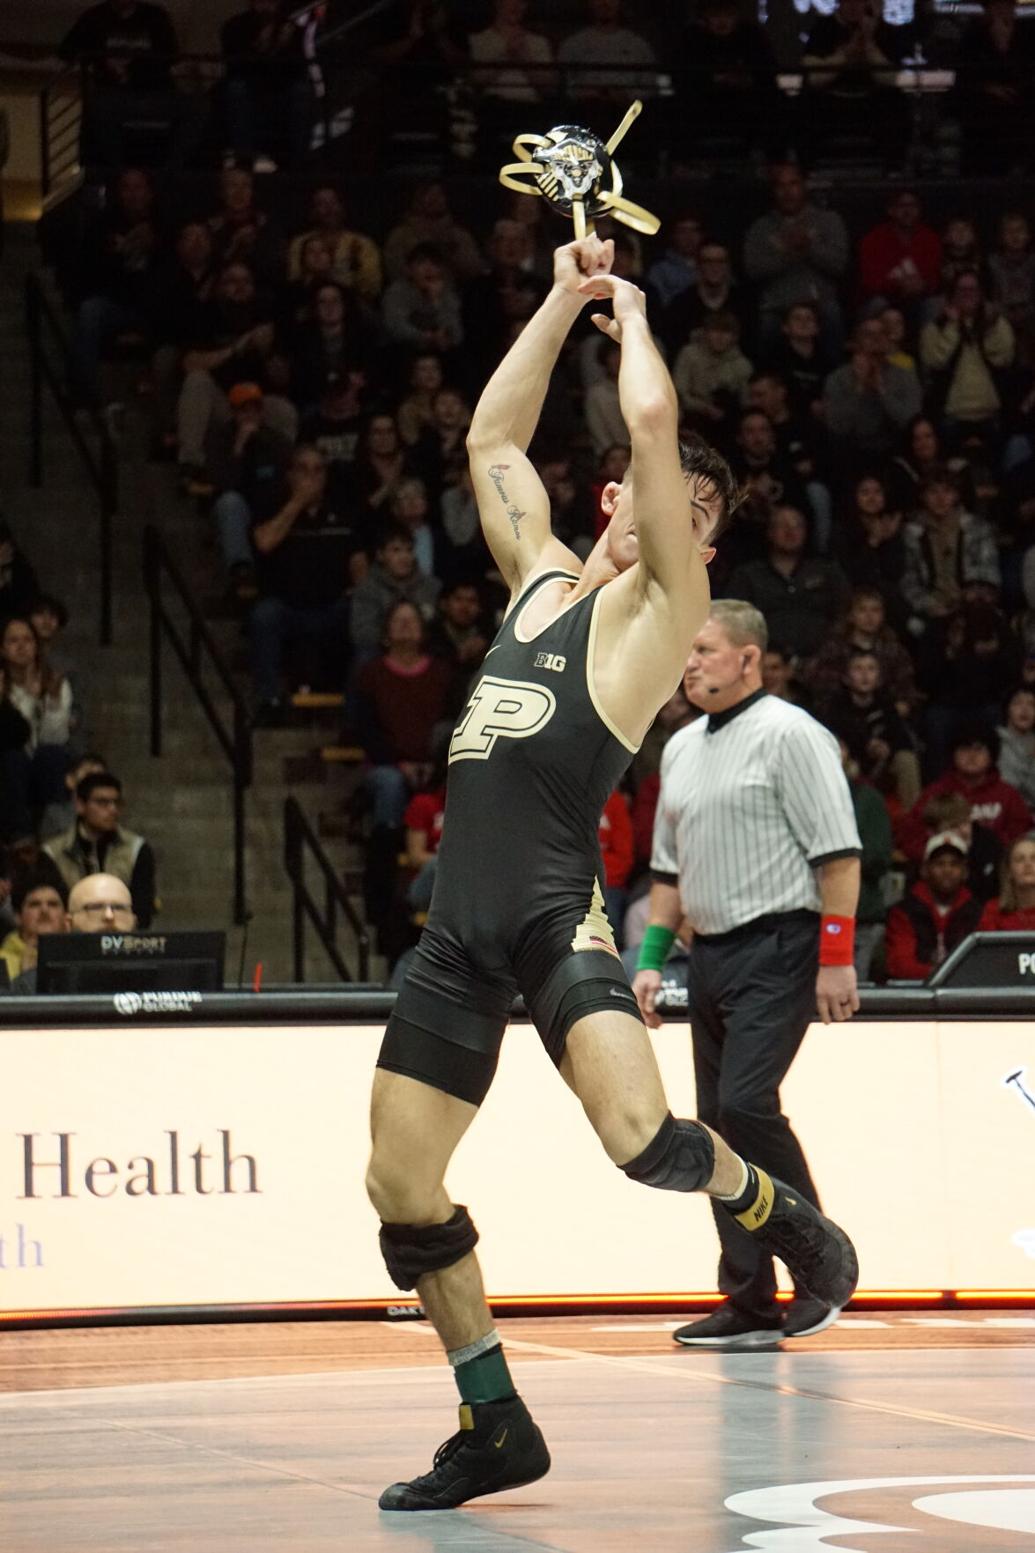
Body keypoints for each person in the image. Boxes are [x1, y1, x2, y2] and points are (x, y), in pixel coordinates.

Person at [366, 235, 858, 1512]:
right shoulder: (533, 583)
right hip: (453, 934)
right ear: (608, 506)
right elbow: (489, 439)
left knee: (644, 1143)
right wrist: (558, 294)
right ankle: (493, 1420)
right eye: (669, 503)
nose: (687, 525)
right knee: (401, 1188)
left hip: (548, 912)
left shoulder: (652, 619)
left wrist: (631, 306)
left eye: (702, 516)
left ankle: (777, 1209)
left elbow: (653, 413)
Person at [633, 599, 861, 1350]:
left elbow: (838, 857)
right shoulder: (679, 746)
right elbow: (667, 869)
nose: (689, 662)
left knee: (746, 1103)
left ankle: (821, 1266)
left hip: (781, 942)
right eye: (686, 652)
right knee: (715, 1127)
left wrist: (834, 957)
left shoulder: (793, 734)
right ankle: (749, 1296)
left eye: (702, 648)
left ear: (747, 658)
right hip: (711, 955)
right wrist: (649, 959)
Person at [39, 770, 156, 928]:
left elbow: (142, 910)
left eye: (116, 803)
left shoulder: (136, 849)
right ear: (80, 805)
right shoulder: (53, 852)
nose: (112, 809)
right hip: (70, 938)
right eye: (103, 802)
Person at [12, 873, 136, 994]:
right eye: (95, 907)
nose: (109, 916)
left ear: (134, 921)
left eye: (119, 908)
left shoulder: (155, 978)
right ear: (68, 924)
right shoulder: (30, 986)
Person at [884, 831, 982, 979]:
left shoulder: (978, 911)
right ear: (924, 870)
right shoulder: (904, 912)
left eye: (954, 864)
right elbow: (900, 965)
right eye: (939, 863)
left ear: (965, 872)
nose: (947, 870)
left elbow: (982, 964)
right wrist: (943, 975)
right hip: (915, 994)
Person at [0, 875, 68, 984]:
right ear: (18, 917)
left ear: (66, 916)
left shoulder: (79, 959)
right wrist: (26, 978)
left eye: (52, 904)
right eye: (34, 905)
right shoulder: (1, 961)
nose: (44, 910)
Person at [978, 832, 1035, 930]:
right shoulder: (993, 910)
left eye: (1034, 858)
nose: (1028, 864)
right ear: (1009, 871)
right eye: (1020, 859)